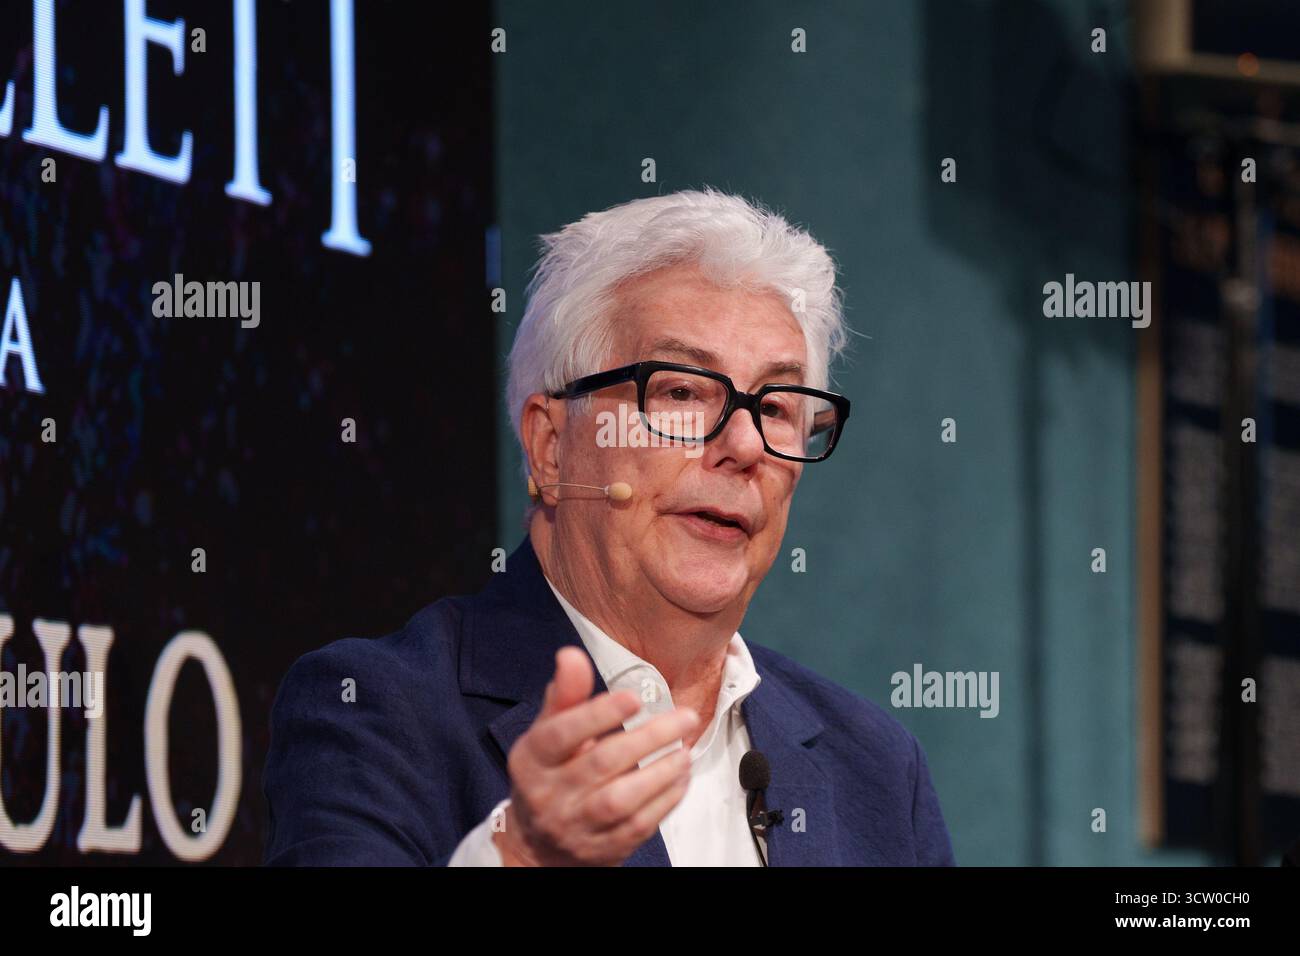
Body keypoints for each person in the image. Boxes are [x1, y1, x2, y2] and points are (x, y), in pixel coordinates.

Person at [263, 188, 955, 866]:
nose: (743, 446)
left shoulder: (879, 770)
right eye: (681, 391)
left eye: (776, 406)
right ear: (551, 446)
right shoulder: (377, 713)